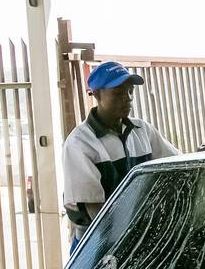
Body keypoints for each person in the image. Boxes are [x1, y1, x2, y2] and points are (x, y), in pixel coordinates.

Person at [62, 61, 179, 244]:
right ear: (97, 95)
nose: (127, 98)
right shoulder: (80, 143)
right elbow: (95, 210)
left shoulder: (142, 130)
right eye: (118, 93)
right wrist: (124, 244)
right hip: (97, 243)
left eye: (130, 91)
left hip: (137, 237)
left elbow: (176, 164)